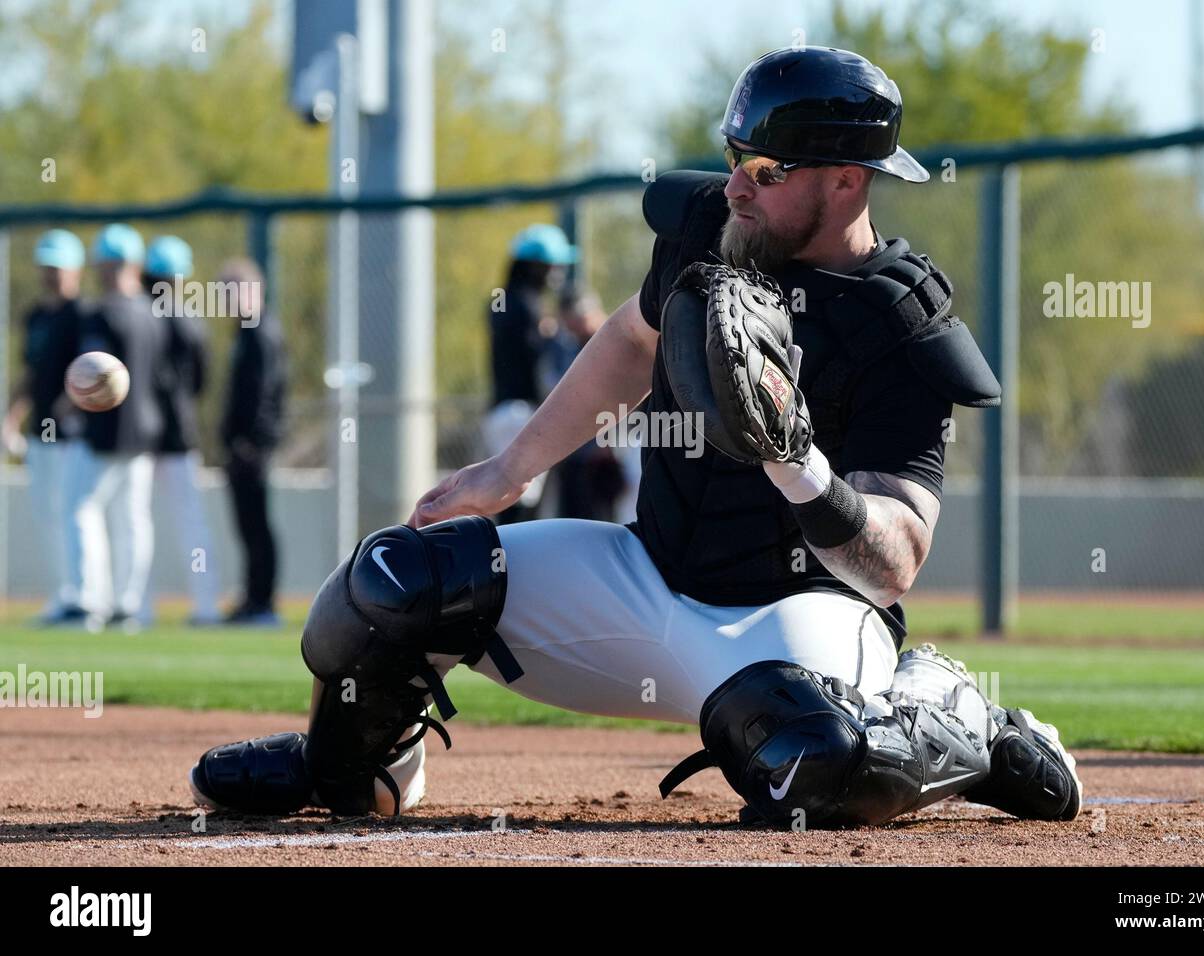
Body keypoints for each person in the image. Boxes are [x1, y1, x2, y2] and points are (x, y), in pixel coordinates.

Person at [188, 48, 1081, 828]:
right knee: (394, 579)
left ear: (847, 178)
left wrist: (792, 457)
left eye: (767, 167)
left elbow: (894, 563)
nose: (737, 184)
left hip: (796, 622)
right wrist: (507, 471)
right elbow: (627, 341)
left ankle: (954, 718)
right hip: (648, 572)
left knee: (817, 760)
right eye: (736, 156)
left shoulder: (900, 322)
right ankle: (353, 774)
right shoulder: (711, 235)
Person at [68, 223, 166, 632]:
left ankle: (90, 600)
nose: (108, 271)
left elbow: (90, 377)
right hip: (145, 428)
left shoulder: (102, 312)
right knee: (132, 517)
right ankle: (129, 604)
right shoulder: (154, 312)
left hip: (110, 431)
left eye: (111, 264)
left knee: (82, 508)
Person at [1, 230, 88, 625]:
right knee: (47, 515)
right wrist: (12, 415)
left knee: (74, 513)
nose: (52, 275)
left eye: (59, 267)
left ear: (75, 270)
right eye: (47, 267)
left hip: (72, 436)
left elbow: (94, 373)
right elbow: (32, 372)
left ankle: (84, 597)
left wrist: (69, 406)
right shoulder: (37, 316)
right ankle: (62, 595)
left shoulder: (83, 315)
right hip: (41, 433)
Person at [144, 236, 222, 626]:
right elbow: (200, 383)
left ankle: (138, 608)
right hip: (179, 433)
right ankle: (205, 605)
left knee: (137, 522)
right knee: (189, 522)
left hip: (144, 436)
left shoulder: (144, 317)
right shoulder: (191, 320)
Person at [482, 223, 576, 524]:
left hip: (503, 410)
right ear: (535, 266)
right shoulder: (526, 306)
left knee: (514, 505)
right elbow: (539, 368)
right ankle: (510, 567)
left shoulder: (504, 301)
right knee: (521, 510)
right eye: (552, 265)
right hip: (520, 413)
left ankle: (505, 564)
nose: (557, 272)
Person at [217, 258, 286, 627]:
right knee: (247, 523)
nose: (226, 301)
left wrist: (250, 442)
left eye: (231, 292)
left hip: (253, 448)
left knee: (257, 523)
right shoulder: (246, 332)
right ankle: (252, 597)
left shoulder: (262, 332)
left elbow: (264, 394)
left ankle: (263, 601)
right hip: (242, 446)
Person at [545, 288, 628, 521]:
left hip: (601, 454)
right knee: (572, 518)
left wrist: (608, 442)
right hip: (575, 452)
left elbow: (619, 396)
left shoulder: (613, 343)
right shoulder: (573, 345)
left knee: (601, 521)